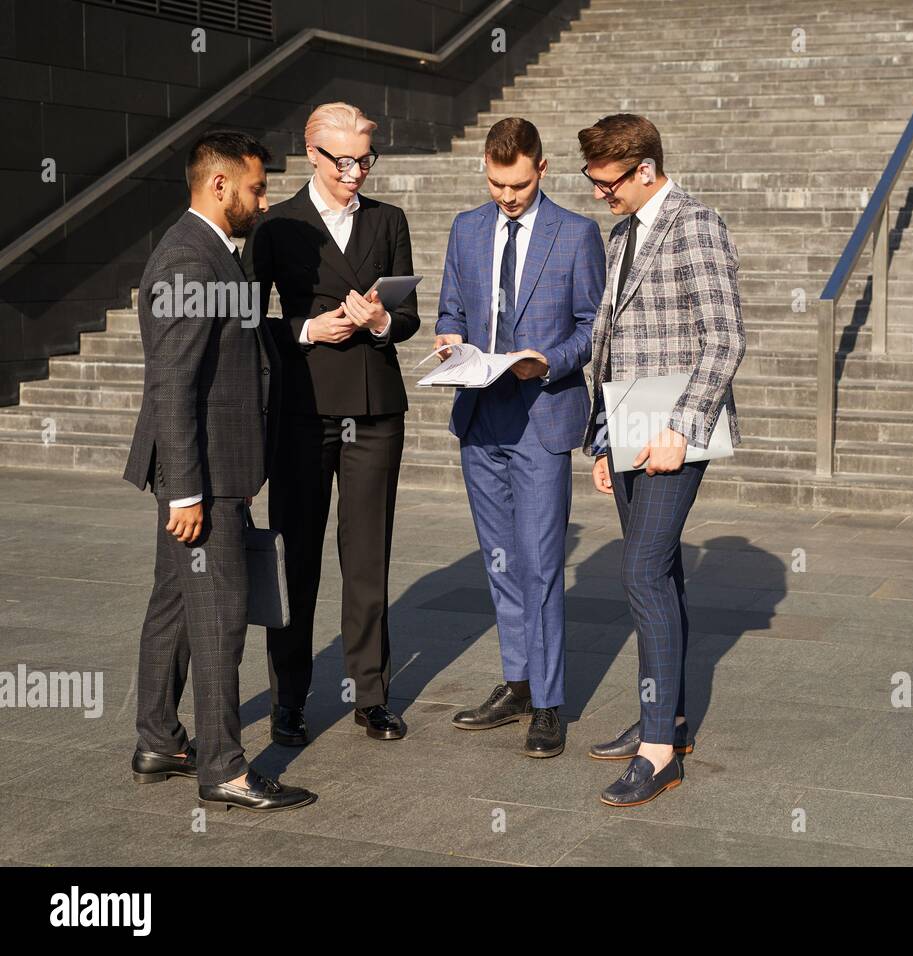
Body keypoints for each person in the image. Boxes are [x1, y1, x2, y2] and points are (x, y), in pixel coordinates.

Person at [125, 129, 315, 813]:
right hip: (204, 471)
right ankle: (226, 769)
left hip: (212, 462)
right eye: (257, 188)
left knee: (175, 606)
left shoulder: (216, 253)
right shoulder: (188, 260)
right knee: (221, 616)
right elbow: (172, 387)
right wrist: (186, 491)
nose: (264, 202)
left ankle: (157, 739)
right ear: (218, 186)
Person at [579, 114, 745, 807]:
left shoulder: (694, 224)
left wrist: (682, 427)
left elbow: (726, 338)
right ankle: (667, 716)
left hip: (675, 429)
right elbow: (611, 339)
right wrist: (600, 436)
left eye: (607, 182)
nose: (599, 194)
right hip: (627, 426)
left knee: (642, 570)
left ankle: (659, 753)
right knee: (664, 571)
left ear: (644, 168)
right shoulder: (624, 232)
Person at [241, 103, 420, 744]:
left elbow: (408, 317)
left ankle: (371, 695)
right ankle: (290, 697)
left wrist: (379, 323)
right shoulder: (275, 225)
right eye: (344, 160)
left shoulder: (388, 220)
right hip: (301, 406)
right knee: (297, 556)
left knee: (367, 555)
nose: (356, 172)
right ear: (312, 154)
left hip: (374, 408)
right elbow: (241, 319)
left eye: (365, 159)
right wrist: (308, 329)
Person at [435, 117, 603, 757]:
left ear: (541, 169)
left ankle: (550, 703)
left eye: (518, 184)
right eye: (497, 182)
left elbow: (593, 327)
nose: (506, 195)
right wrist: (450, 338)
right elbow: (452, 307)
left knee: (539, 565)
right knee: (501, 562)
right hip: (480, 415)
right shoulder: (466, 229)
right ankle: (517, 684)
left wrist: (549, 361)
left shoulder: (577, 233)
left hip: (541, 416)